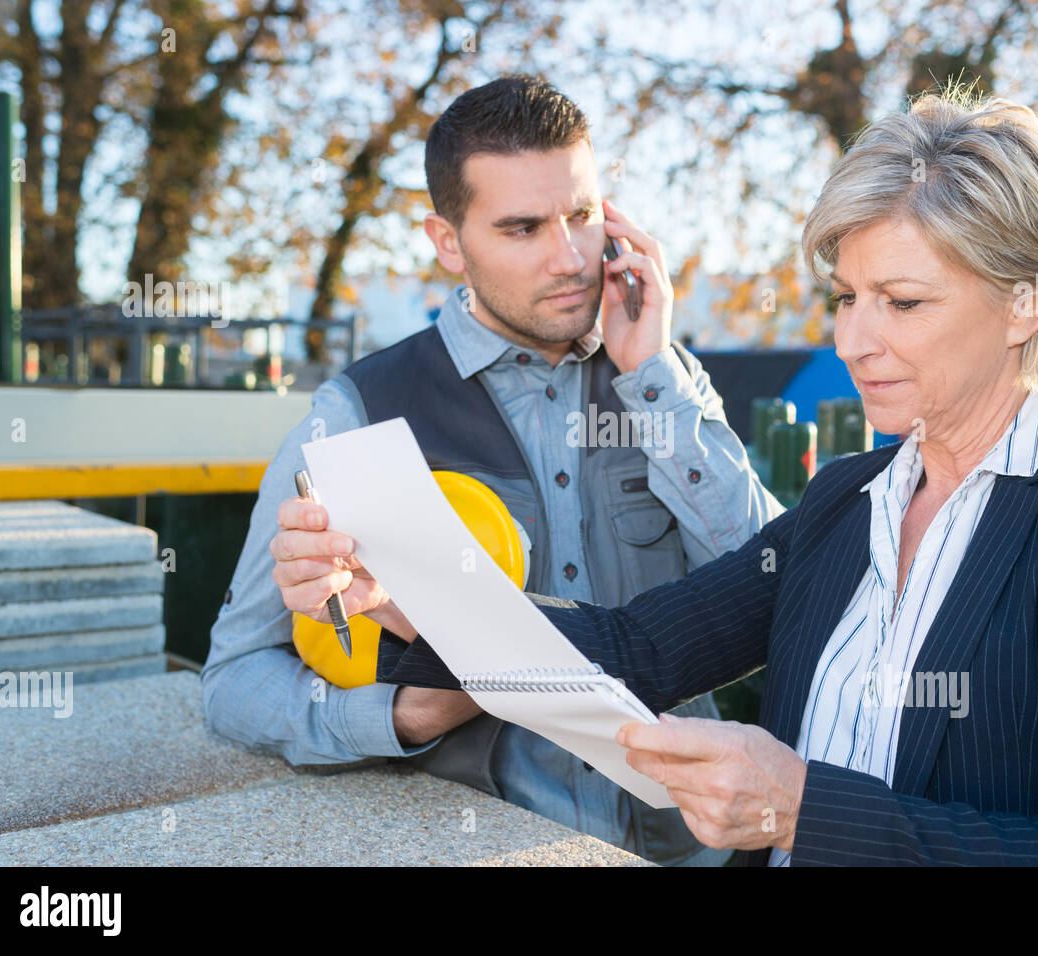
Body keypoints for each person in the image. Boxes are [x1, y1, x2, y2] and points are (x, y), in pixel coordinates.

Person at [373, 89, 1038, 865]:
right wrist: (403, 590)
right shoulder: (845, 500)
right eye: (846, 296)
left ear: (1028, 301)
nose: (853, 342)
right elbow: (635, 649)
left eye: (902, 302)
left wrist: (804, 811)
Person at [204, 75, 784, 866]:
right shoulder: (357, 412)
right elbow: (234, 680)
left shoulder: (665, 383)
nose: (570, 256)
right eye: (521, 228)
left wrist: (655, 380)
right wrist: (400, 719)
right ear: (449, 242)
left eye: (581, 215)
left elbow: (776, 581)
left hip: (683, 853)